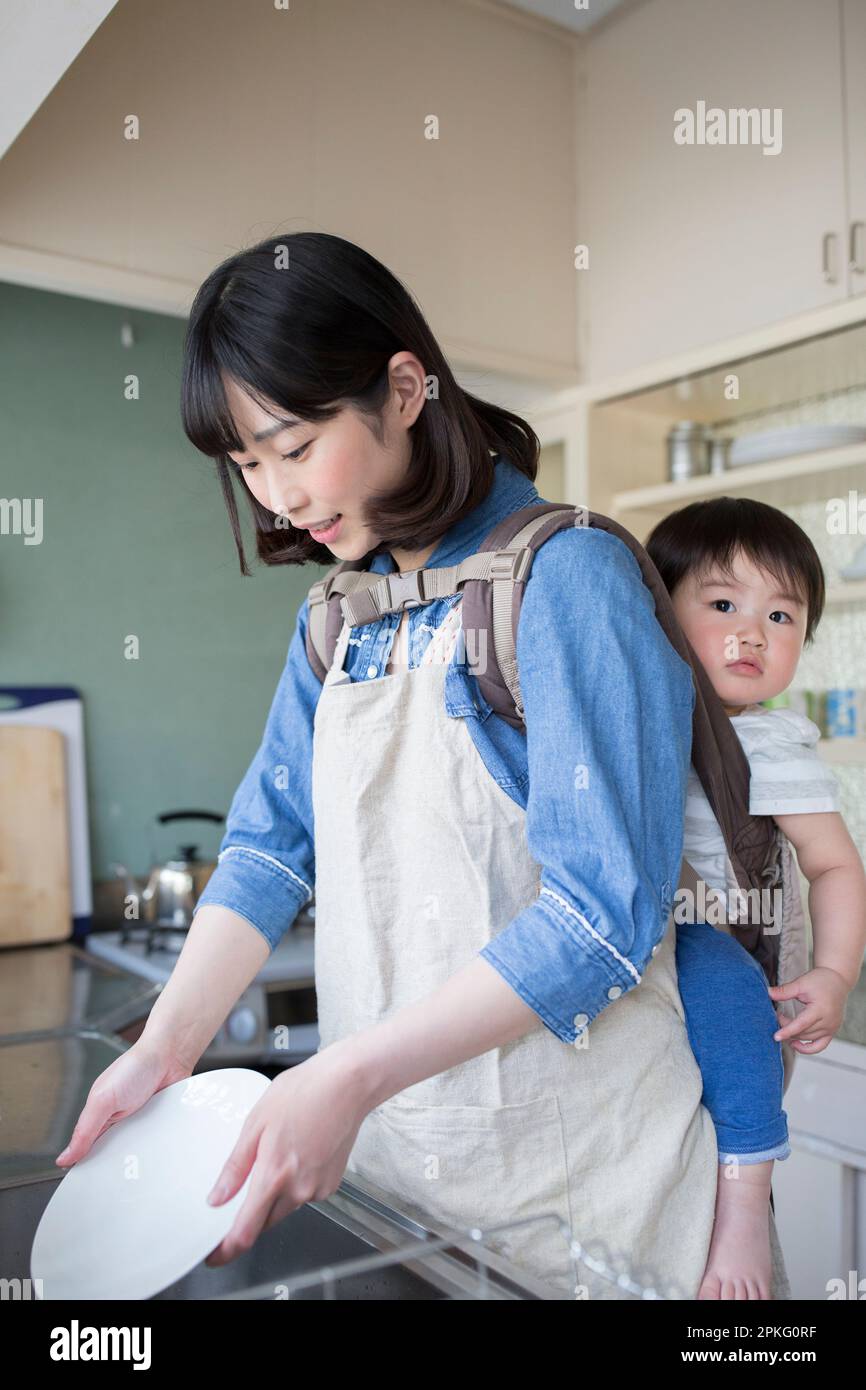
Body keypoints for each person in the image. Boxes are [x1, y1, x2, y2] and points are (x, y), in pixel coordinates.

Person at [59, 231, 757, 1299]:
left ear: (400, 388)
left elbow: (598, 915)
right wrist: (165, 1045)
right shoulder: (340, 615)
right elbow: (264, 848)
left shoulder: (566, 579)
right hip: (401, 1187)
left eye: (291, 447)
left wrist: (342, 1073)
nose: (275, 496)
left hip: (581, 1207)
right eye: (245, 465)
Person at [646, 497, 866, 1298]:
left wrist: (835, 975)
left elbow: (836, 865)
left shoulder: (771, 744)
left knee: (730, 989)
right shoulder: (636, 711)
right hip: (627, 933)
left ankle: (746, 1193)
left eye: (781, 614)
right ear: (658, 614)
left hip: (709, 936)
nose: (752, 632)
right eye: (722, 604)